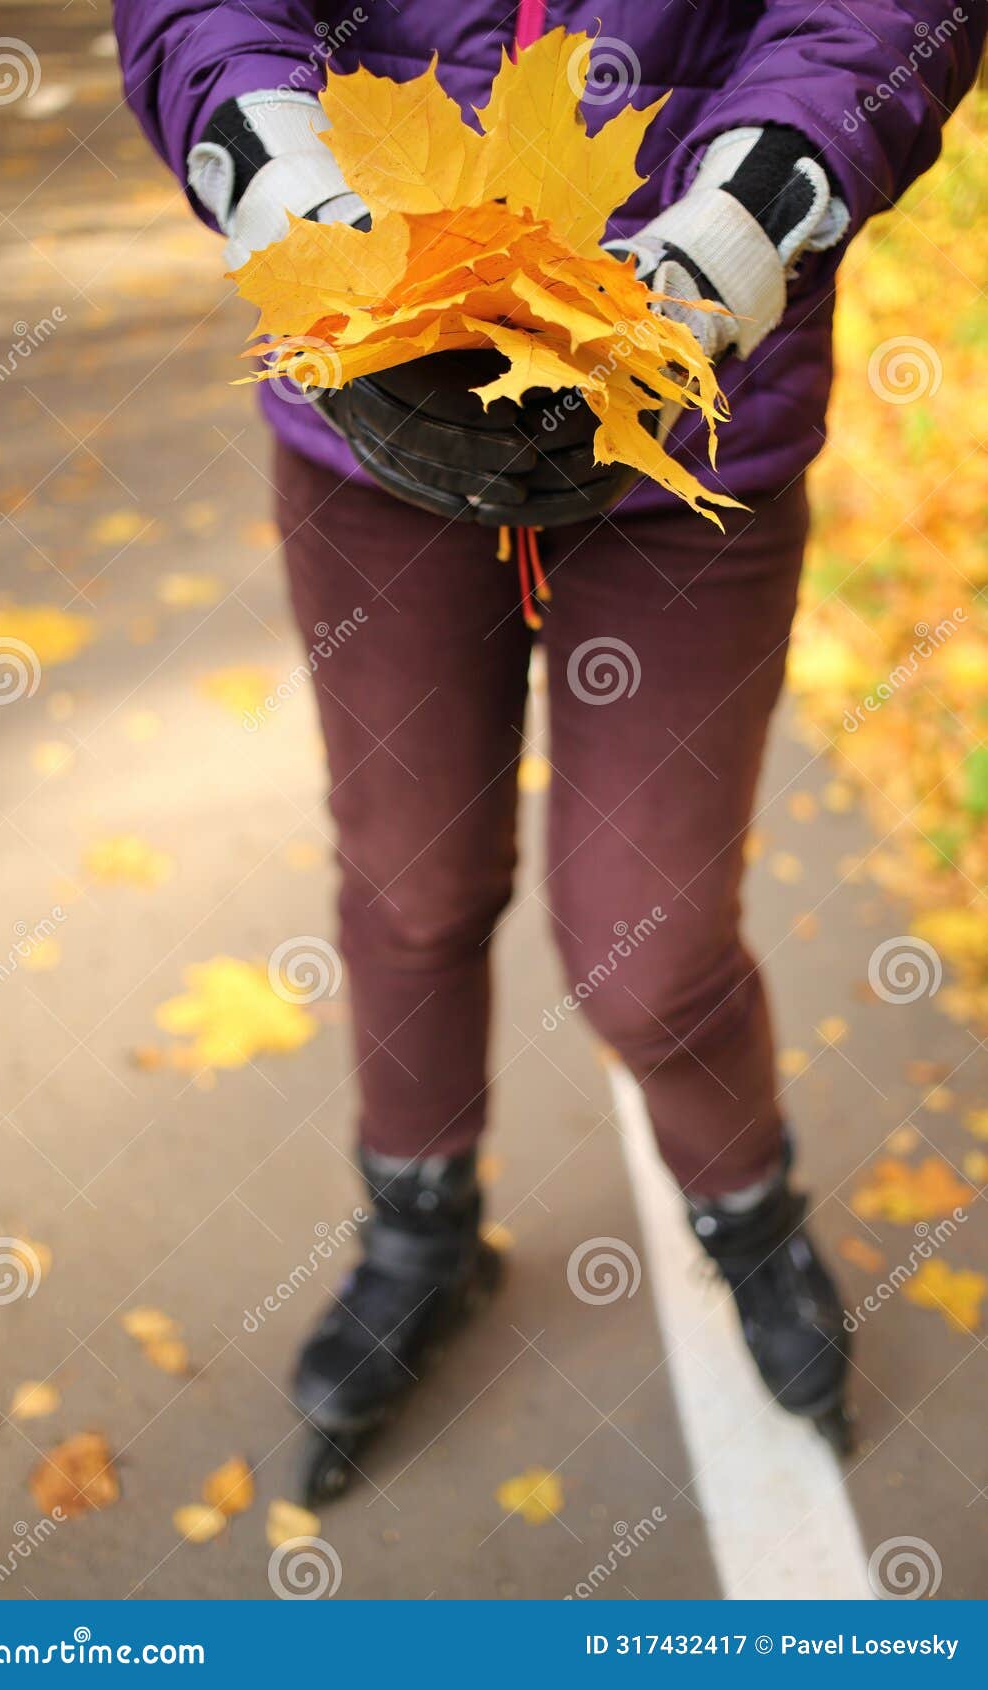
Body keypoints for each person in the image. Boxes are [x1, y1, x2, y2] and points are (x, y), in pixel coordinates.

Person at [114, 2, 985, 1503]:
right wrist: (294, 199)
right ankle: (421, 1228)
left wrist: (741, 227)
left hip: (694, 429)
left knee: (652, 951)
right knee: (411, 882)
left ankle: (749, 1213)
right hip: (375, 413)